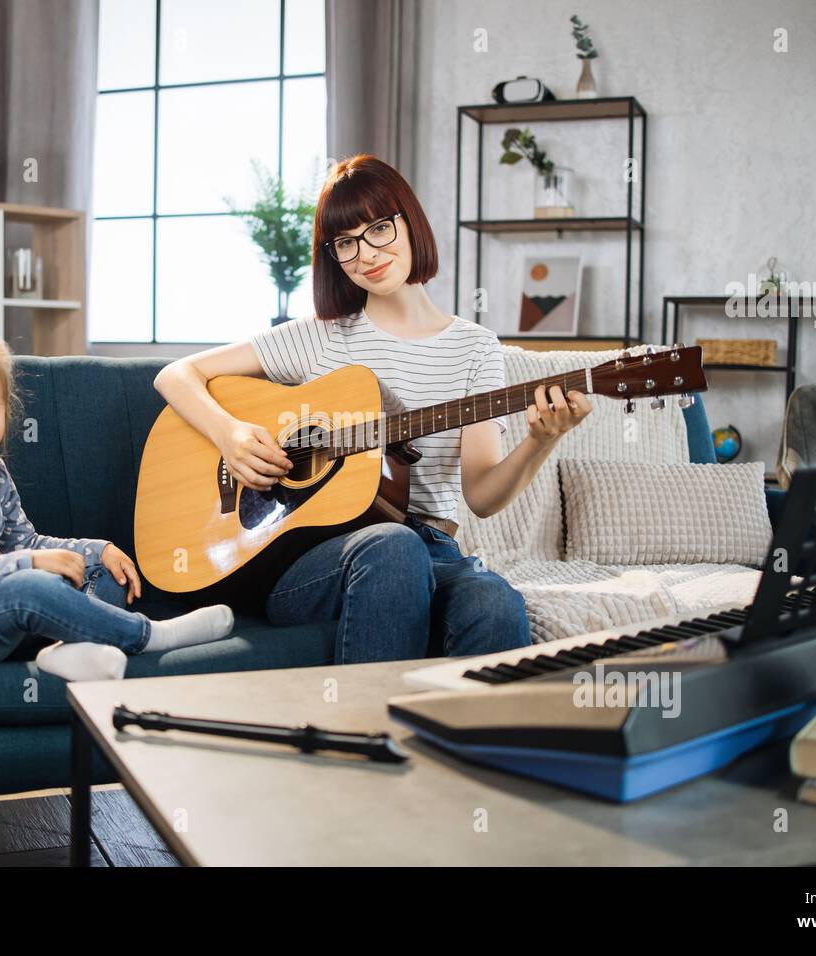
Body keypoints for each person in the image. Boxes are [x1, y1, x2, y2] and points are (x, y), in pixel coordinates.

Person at [153, 154, 592, 664]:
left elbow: (482, 496)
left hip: (433, 547)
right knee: (391, 546)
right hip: (315, 557)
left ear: (410, 223)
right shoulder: (320, 336)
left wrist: (542, 438)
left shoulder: (476, 348)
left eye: (380, 229)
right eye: (346, 242)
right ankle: (367, 737)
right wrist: (230, 434)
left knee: (494, 602)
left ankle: (467, 745)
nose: (366, 253)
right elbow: (176, 375)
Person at [0, 323, 235, 681]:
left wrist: (96, 551)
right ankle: (149, 636)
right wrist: (29, 564)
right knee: (30, 586)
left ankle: (62, 651)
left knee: (104, 577)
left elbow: (25, 542)